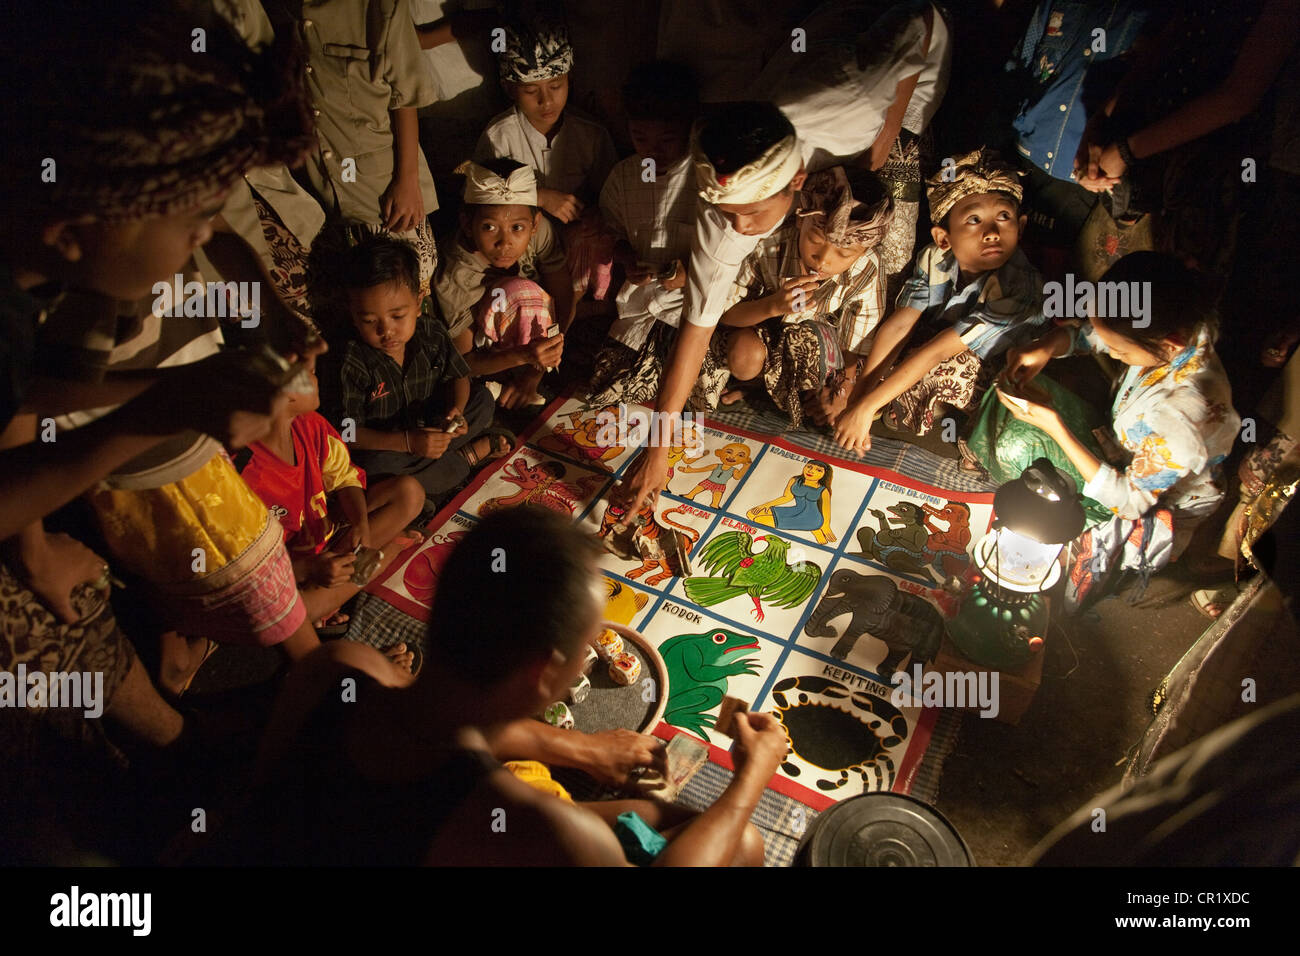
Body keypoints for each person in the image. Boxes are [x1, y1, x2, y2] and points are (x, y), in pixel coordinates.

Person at [206, 507, 785, 865]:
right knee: (744, 840)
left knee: (702, 831)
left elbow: (268, 788)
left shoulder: (339, 666)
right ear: (545, 673)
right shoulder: (535, 829)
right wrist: (749, 780)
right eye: (583, 649)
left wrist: (581, 749)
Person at [999, 252, 1240, 610]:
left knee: (1063, 525)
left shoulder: (1183, 416)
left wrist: (1055, 426)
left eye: (1118, 352)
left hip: (1162, 500)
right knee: (1019, 438)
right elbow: (1094, 335)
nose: (1108, 350)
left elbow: (1129, 503)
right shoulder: (1180, 322)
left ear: (1170, 344)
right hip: (1129, 445)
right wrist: (1048, 346)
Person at [611, 101, 807, 517]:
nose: (740, 228)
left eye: (752, 214)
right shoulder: (724, 230)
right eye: (728, 214)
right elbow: (695, 332)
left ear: (799, 180)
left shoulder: (852, 108)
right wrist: (657, 450)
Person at [832, 149, 1045, 453]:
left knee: (948, 367)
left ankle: (946, 413)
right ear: (943, 237)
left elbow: (942, 349)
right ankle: (892, 397)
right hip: (939, 340)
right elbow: (902, 323)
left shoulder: (1022, 289)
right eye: (974, 219)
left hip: (991, 362)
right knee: (870, 353)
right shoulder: (935, 256)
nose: (992, 232)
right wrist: (859, 397)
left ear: (1020, 227)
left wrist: (866, 408)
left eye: (1004, 216)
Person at [238, 353, 426, 637]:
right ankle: (389, 552)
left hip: (325, 538)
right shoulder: (244, 473)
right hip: (288, 573)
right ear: (280, 393)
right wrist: (309, 570)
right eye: (310, 372)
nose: (318, 379)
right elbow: (247, 568)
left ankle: (345, 581)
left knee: (409, 493)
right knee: (294, 611)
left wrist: (360, 521)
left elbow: (345, 477)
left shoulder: (308, 424)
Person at [329, 235, 511, 499]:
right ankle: (468, 458)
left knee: (481, 399)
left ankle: (432, 470)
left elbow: (457, 375)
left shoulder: (430, 332)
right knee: (371, 468)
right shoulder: (350, 360)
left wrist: (456, 412)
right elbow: (344, 431)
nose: (386, 331)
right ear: (352, 314)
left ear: (418, 302)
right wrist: (407, 442)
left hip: (432, 426)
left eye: (397, 316)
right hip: (387, 446)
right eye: (369, 321)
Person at [712, 166, 894, 426]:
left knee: (834, 395)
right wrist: (773, 305)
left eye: (843, 254)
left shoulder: (868, 267)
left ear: (863, 250)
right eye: (816, 239)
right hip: (760, 334)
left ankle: (805, 391)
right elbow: (727, 315)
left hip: (816, 343)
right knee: (743, 357)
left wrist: (844, 387)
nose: (823, 260)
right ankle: (755, 384)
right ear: (801, 219)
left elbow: (857, 339)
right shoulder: (769, 246)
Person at [293, 0, 442, 296]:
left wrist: (407, 180)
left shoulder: (379, 8)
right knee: (346, 304)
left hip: (382, 192)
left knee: (405, 295)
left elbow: (405, 97)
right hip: (316, 189)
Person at [584, 60, 700, 408]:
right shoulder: (624, 176)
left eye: (666, 140)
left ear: (689, 130)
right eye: (640, 138)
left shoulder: (703, 176)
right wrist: (628, 260)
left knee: (692, 394)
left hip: (690, 306)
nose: (653, 150)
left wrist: (688, 275)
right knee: (605, 387)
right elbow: (612, 233)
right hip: (640, 302)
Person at [433, 159, 570, 408]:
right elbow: (464, 363)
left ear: (535, 225)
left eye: (517, 227)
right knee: (517, 291)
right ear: (467, 224)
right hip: (487, 354)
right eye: (489, 227)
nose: (504, 242)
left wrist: (535, 373)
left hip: (535, 344)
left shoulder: (540, 232)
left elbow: (563, 296)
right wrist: (524, 357)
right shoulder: (457, 274)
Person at [474, 15, 617, 227]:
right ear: (510, 89)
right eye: (531, 90)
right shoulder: (499, 135)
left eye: (556, 86)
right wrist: (539, 196)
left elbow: (612, 196)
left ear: (569, 80)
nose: (547, 101)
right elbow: (478, 194)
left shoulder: (591, 133)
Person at [747, 459, 836, 545]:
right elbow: (786, 497)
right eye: (809, 467)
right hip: (795, 510)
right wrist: (765, 505)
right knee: (751, 514)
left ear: (824, 474)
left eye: (818, 470)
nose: (811, 471)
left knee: (758, 519)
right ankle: (815, 529)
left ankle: (816, 529)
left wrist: (826, 527)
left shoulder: (823, 490)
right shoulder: (795, 480)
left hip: (811, 520)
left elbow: (826, 511)